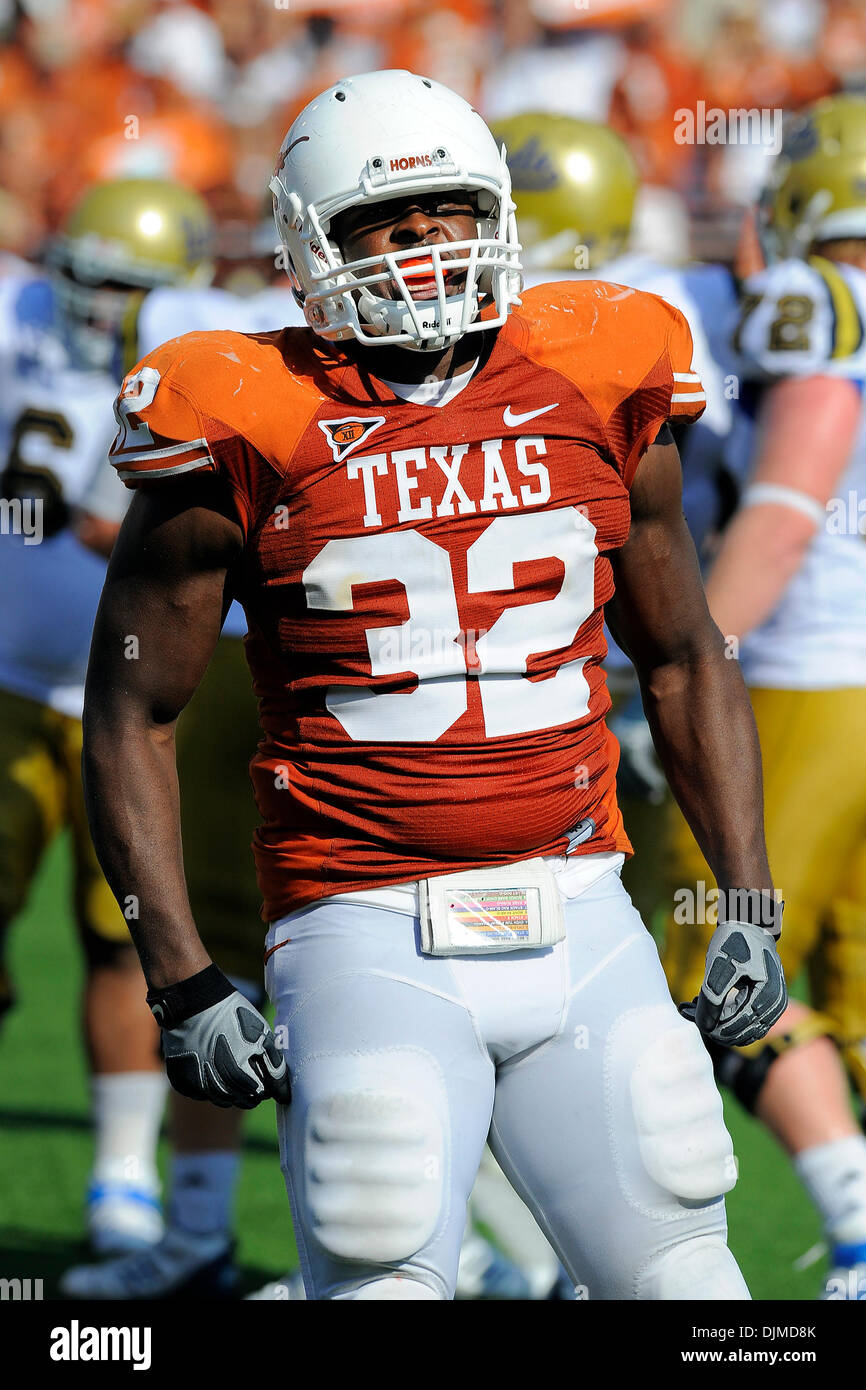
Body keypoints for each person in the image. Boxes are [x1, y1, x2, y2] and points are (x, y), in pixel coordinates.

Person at [83, 68, 786, 1301]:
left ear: (497, 215)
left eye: (450, 215)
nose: (425, 251)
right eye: (386, 228)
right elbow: (132, 709)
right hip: (360, 922)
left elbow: (682, 654)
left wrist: (746, 900)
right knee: (384, 1258)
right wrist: (181, 972)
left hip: (583, 906)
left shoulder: (598, 364)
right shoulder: (243, 408)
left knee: (689, 1282)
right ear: (311, 250)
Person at [662, 93, 866, 1300]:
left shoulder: (819, 301)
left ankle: (852, 1223)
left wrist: (693, 659)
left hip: (803, 674)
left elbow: (788, 507)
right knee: (847, 981)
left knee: (714, 953)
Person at [0, 177, 214, 1254]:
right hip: (3, 683)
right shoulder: (11, 319)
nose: (99, 310)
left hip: (132, 705)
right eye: (88, 283)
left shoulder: (199, 363)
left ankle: (124, 1178)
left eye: (129, 291)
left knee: (123, 942)